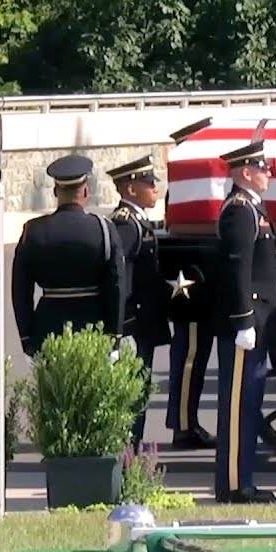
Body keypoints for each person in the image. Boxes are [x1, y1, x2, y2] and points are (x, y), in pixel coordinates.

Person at [213, 141, 276, 504]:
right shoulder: (240, 211)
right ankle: (235, 486)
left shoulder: (251, 208)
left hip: (255, 322)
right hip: (245, 323)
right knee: (239, 405)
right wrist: (243, 321)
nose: (269, 173)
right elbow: (238, 268)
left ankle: (242, 481)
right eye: (263, 168)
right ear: (245, 172)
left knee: (249, 403)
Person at [11, 154, 124, 357]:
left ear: (55, 191)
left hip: (48, 329)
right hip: (94, 330)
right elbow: (116, 286)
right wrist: (114, 336)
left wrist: (27, 338)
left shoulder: (33, 231)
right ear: (86, 190)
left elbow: (20, 290)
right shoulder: (103, 229)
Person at [106, 154, 172, 447]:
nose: (155, 187)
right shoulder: (125, 224)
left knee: (140, 394)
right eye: (148, 183)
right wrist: (117, 334)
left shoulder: (137, 222)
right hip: (132, 325)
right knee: (132, 397)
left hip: (141, 323)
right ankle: (126, 458)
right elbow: (119, 280)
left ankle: (130, 455)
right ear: (131, 189)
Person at [163, 118, 217, 450]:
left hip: (199, 282)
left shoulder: (193, 186)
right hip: (192, 287)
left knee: (193, 355)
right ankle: (183, 425)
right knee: (190, 355)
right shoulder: (187, 188)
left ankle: (186, 421)